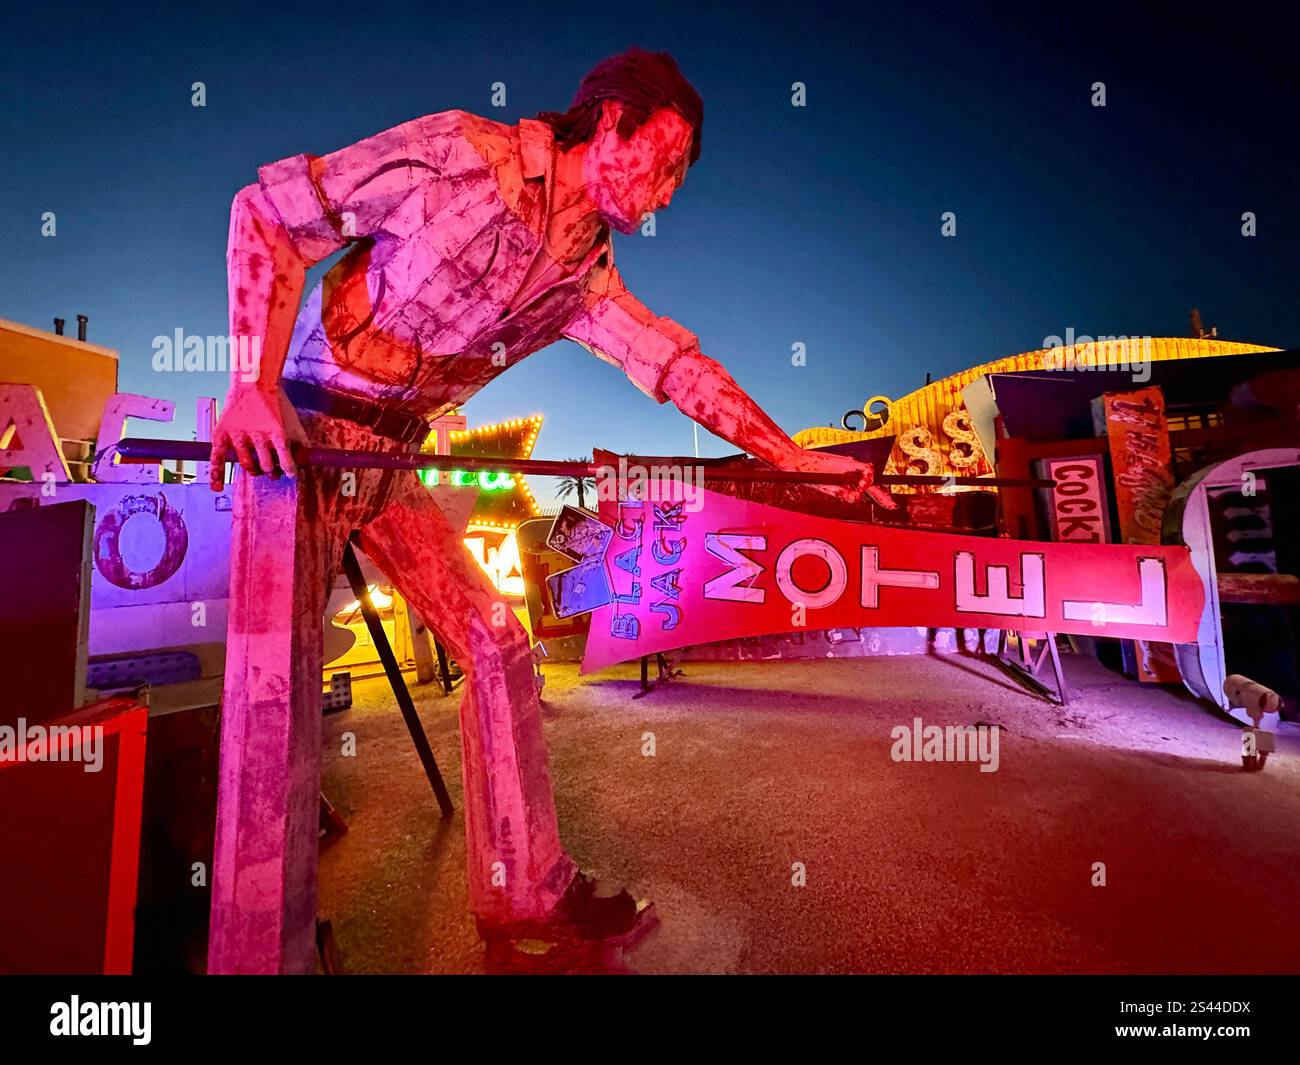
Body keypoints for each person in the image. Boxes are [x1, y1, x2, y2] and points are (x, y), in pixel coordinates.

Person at [207, 47, 885, 973]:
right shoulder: (460, 153)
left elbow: (672, 365)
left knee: (497, 640)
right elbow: (269, 217)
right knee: (273, 692)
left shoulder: (581, 273)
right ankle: (259, 956)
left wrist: (795, 460)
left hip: (393, 453)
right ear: (609, 123)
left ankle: (524, 885)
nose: (669, 196)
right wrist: (249, 385)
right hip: (302, 438)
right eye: (669, 162)